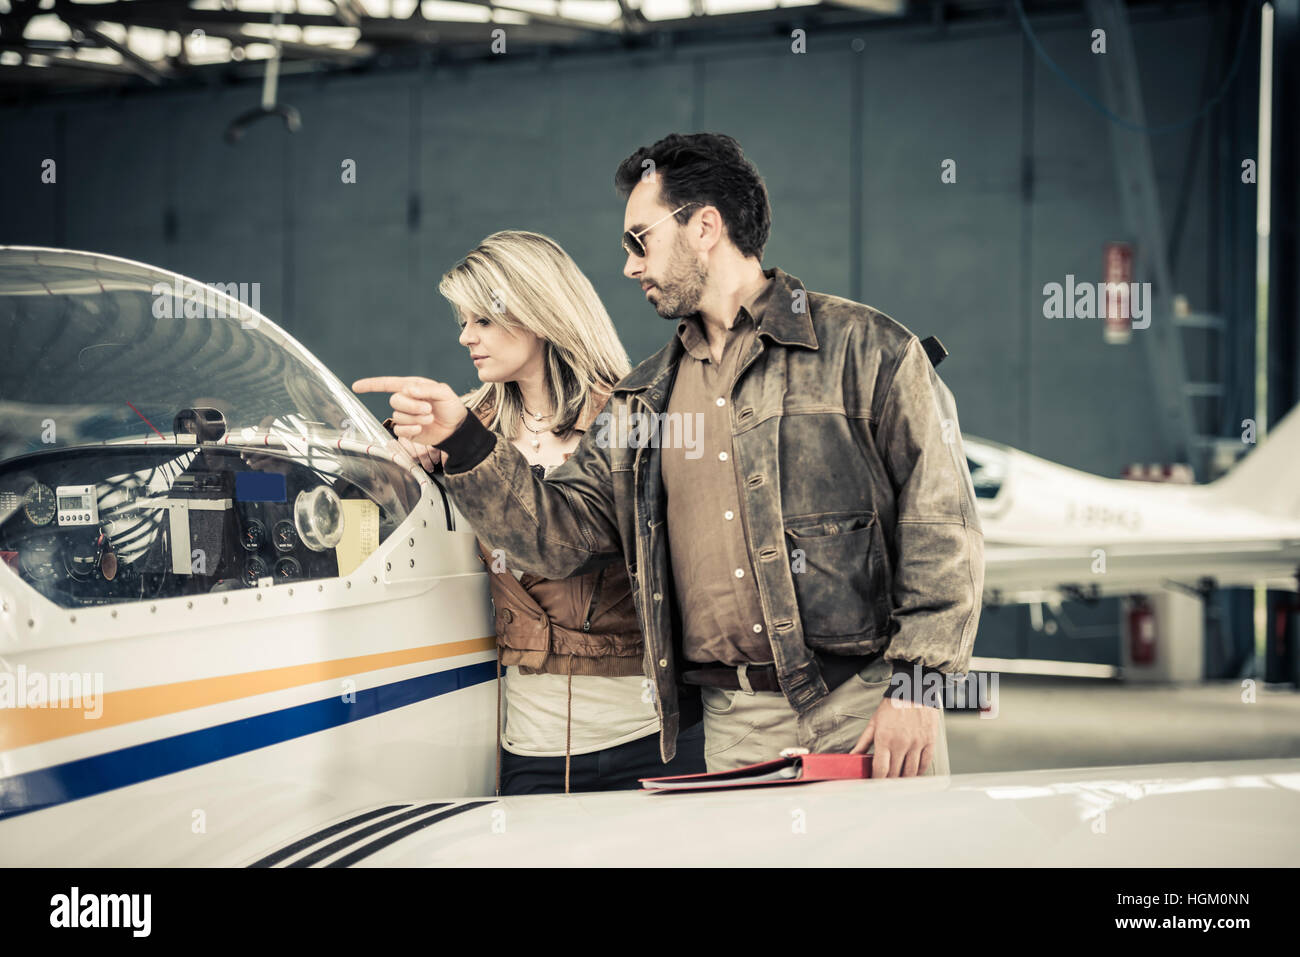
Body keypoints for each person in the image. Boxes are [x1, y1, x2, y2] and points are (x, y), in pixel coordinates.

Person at [356, 133, 984, 778]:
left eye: (639, 240)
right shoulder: (644, 399)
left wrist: (921, 689)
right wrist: (464, 439)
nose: (629, 265)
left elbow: (943, 528)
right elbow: (562, 539)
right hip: (732, 724)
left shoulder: (869, 349)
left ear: (705, 226)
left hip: (869, 705)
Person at [381, 229, 704, 794]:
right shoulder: (458, 425)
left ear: (533, 312)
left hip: (650, 734)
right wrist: (398, 454)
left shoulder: (633, 419)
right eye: (463, 321)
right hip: (529, 743)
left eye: (481, 319)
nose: (465, 337)